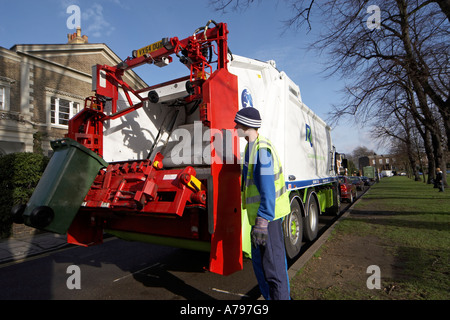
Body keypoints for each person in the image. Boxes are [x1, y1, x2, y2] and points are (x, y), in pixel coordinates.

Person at [234, 107, 291, 300]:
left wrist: (264, 219)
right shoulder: (251, 147)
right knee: (261, 266)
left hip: (268, 220)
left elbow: (267, 188)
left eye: (238, 123)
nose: (235, 127)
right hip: (258, 218)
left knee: (274, 271)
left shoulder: (262, 150)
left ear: (247, 125)